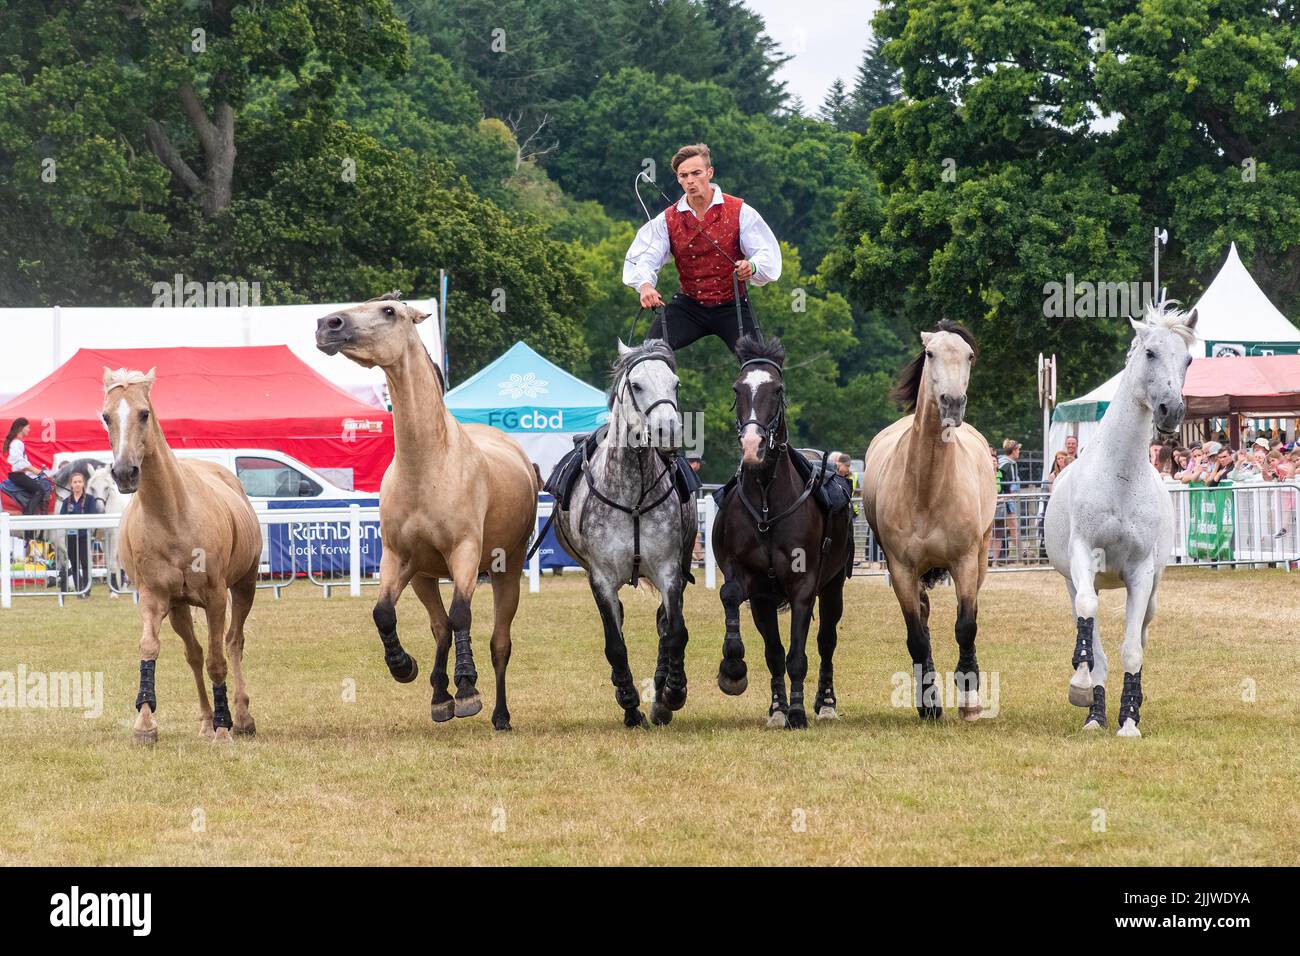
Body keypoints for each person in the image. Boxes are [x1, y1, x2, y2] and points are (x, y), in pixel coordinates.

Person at [624, 143, 782, 355]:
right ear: (678, 179)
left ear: (709, 172)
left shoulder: (740, 211)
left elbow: (766, 252)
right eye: (683, 175)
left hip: (732, 306)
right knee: (647, 355)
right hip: (688, 306)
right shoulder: (667, 220)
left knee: (760, 364)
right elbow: (645, 257)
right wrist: (645, 285)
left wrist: (751, 267)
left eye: (696, 173)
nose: (690, 180)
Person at [59, 470, 99, 597]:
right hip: (70, 537)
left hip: (84, 537)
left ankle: (86, 591)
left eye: (79, 482)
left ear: (83, 484)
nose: (77, 484)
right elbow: (62, 517)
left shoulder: (90, 500)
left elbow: (92, 516)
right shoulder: (66, 501)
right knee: (75, 565)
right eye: (75, 482)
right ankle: (78, 590)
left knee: (85, 564)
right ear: (71, 484)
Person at [995, 439, 1022, 564]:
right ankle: (1020, 554)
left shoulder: (1006, 463)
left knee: (1004, 529)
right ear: (1013, 450)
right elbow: (1007, 484)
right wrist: (1009, 496)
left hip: (1007, 499)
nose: (1019, 452)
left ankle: (1019, 554)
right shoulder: (1007, 465)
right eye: (1018, 450)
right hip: (1006, 500)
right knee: (1011, 527)